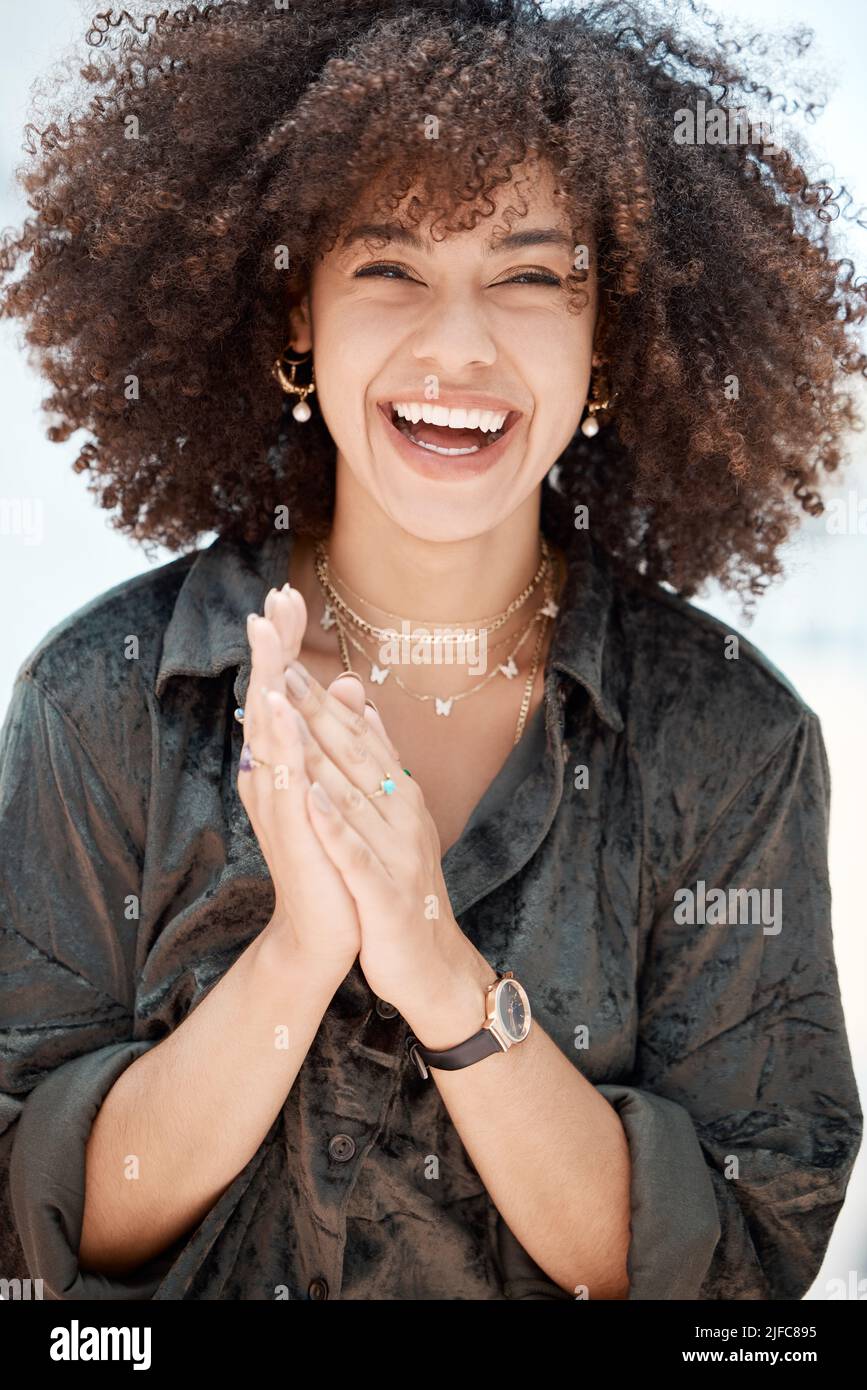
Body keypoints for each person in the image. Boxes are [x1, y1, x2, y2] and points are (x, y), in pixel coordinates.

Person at [0, 0, 862, 1301]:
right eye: (390, 266)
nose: (458, 344)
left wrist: (442, 971)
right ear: (298, 312)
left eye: (528, 275)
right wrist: (297, 952)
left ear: (608, 340)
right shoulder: (100, 698)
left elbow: (738, 1280)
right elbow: (31, 1237)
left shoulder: (735, 741)